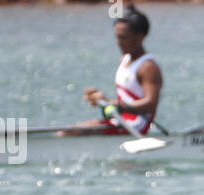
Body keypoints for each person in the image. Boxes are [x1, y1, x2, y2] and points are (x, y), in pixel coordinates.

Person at [62, 5, 162, 136]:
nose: (118, 42)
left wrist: (114, 104)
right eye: (117, 37)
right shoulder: (124, 60)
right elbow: (125, 100)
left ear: (140, 36)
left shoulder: (148, 67)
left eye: (123, 37)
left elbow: (150, 104)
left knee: (68, 133)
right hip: (121, 120)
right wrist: (102, 99)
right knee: (68, 130)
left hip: (136, 125)